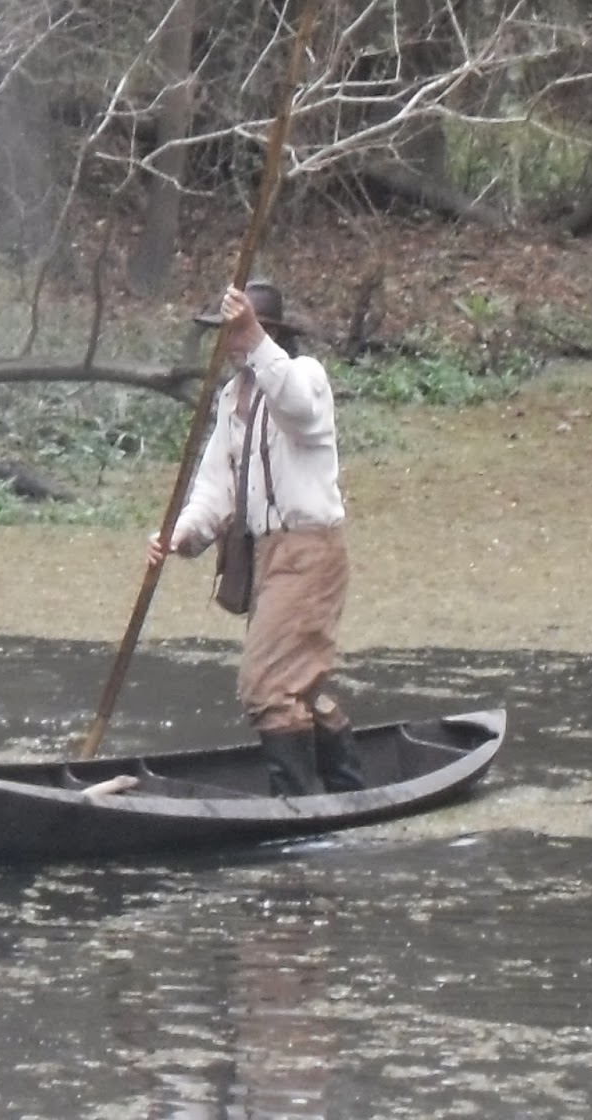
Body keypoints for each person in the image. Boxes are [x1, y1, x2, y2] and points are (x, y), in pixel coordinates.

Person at [146, 279, 365, 797]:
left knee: (266, 685)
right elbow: (215, 487)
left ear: (260, 332)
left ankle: (292, 804)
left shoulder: (304, 377)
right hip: (266, 554)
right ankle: (346, 784)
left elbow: (299, 412)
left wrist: (253, 335)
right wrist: (177, 536)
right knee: (296, 685)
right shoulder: (232, 397)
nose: (225, 345)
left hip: (310, 551)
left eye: (233, 333)